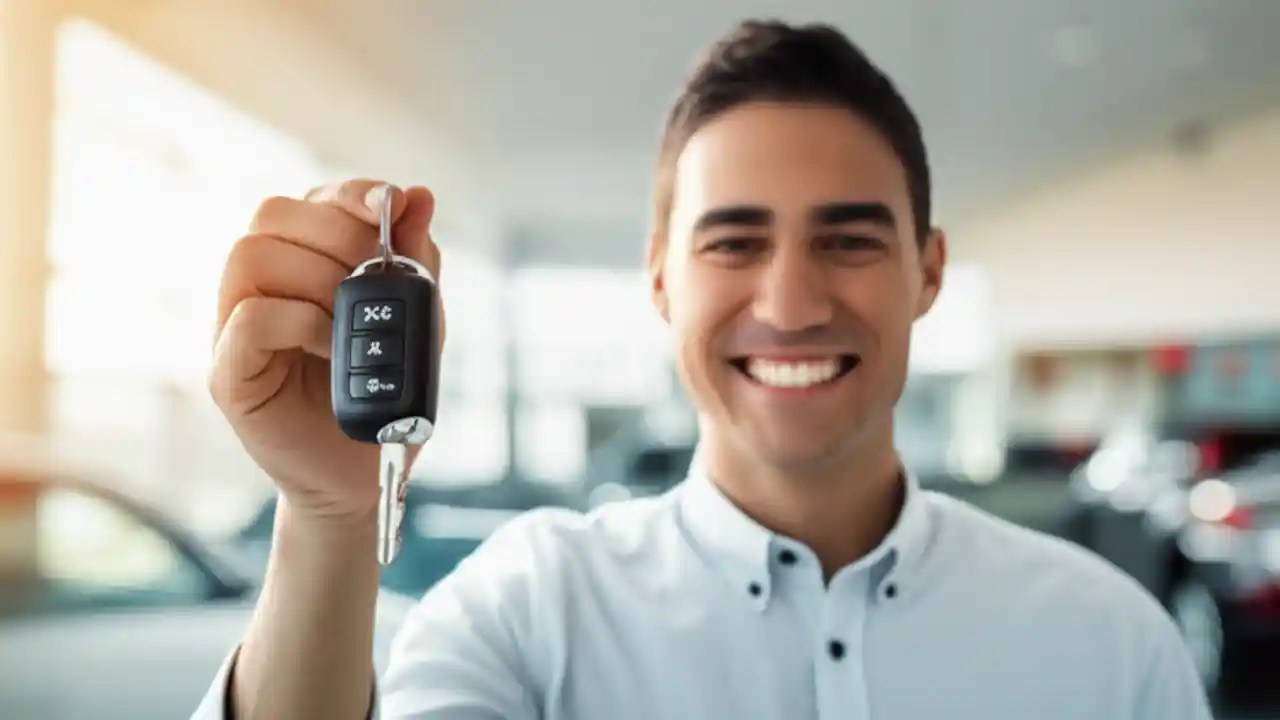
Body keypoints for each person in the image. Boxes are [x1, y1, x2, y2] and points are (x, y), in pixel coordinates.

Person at [194, 19, 1212, 720]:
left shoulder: (1107, 640)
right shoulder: (527, 609)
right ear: (659, 281)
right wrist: (327, 520)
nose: (789, 305)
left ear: (927, 273)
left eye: (847, 241)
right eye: (732, 243)